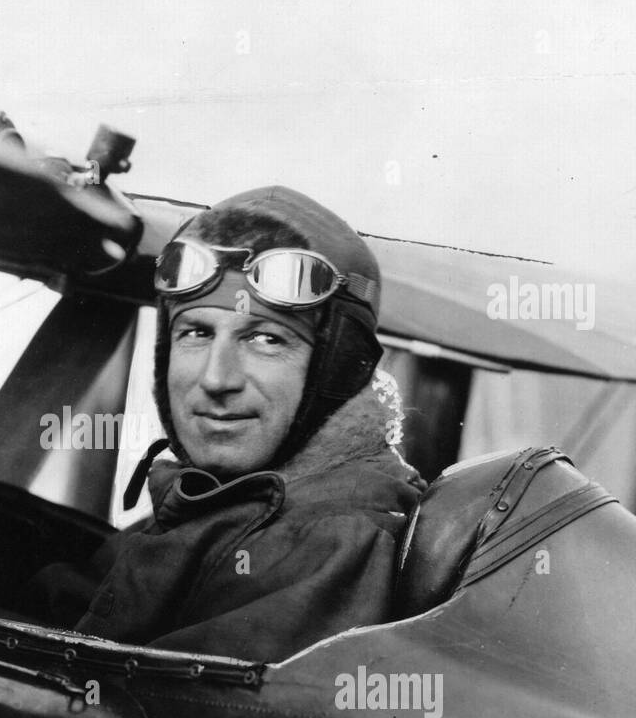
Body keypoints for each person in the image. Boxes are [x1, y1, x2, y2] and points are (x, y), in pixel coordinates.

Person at [69, 185, 426, 664]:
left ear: (335, 367)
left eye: (265, 340)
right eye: (196, 333)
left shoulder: (327, 543)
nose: (217, 378)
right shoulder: (226, 497)